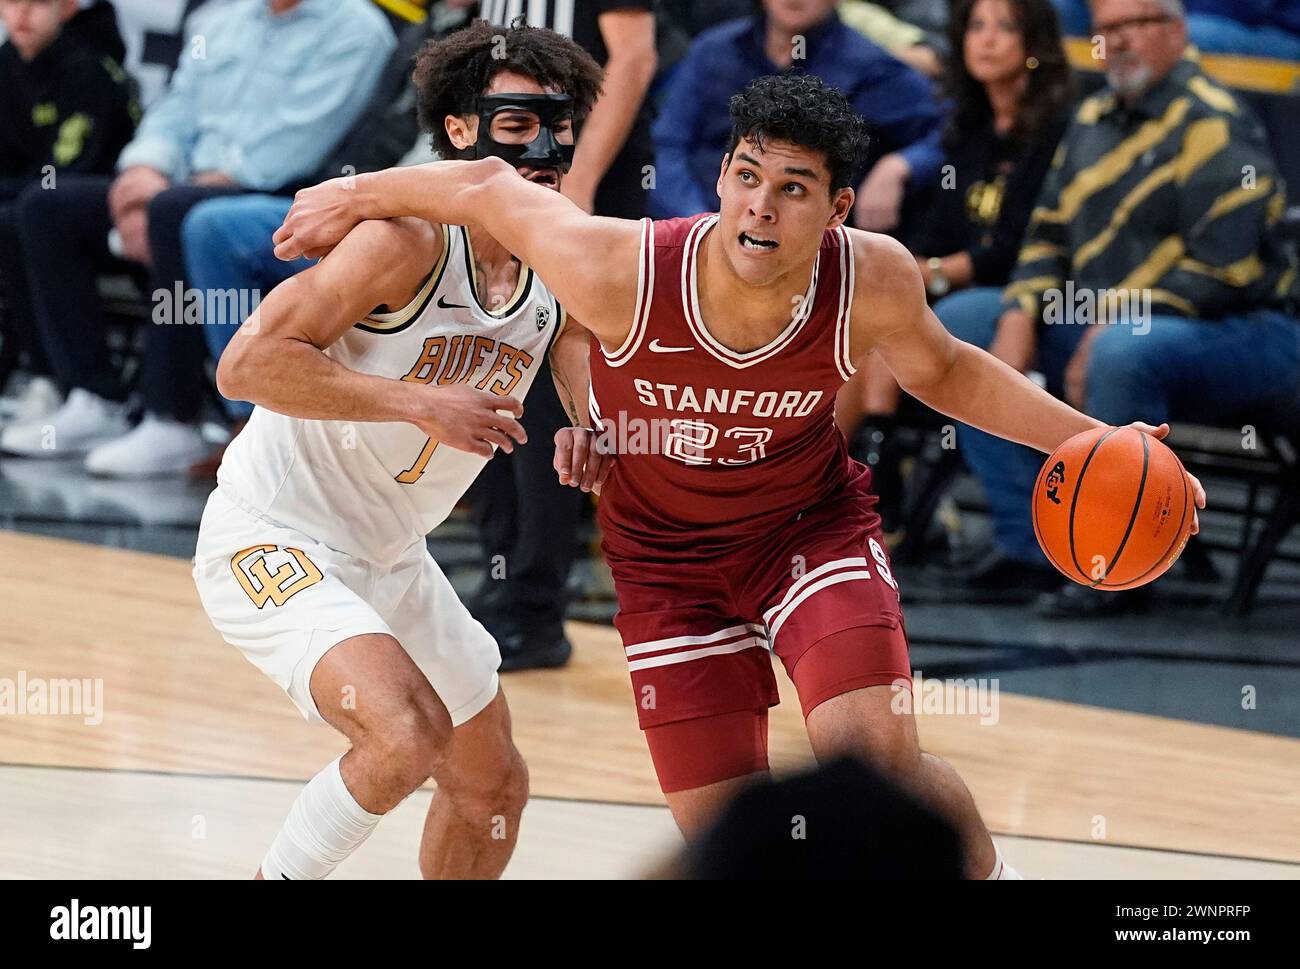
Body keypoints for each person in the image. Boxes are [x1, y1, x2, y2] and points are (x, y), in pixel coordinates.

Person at [273, 70, 1206, 877]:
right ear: (721, 175)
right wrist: (352, 196)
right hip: (668, 564)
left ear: (838, 209)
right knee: (732, 841)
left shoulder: (870, 276)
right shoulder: (619, 270)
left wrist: (1096, 440)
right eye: (747, 175)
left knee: (876, 769)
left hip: (807, 534)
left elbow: (950, 370)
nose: (761, 205)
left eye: (795, 188)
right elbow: (482, 183)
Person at [193, 21, 611, 879]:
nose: (544, 145)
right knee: (403, 734)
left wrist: (590, 423)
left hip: (392, 556)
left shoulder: (561, 247)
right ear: (457, 133)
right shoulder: (405, 241)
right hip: (273, 534)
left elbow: (570, 347)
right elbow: (247, 364)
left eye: (558, 124)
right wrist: (417, 403)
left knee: (492, 788)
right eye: (517, 121)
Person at [943, 0, 1300, 615]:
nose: (1118, 41)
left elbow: (1228, 266)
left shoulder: (1215, 120)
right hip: (1105, 321)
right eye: (1107, 29)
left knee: (1120, 348)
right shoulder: (1090, 117)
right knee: (965, 325)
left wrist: (1116, 316)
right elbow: (1047, 234)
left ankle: (1117, 566)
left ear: (1177, 31)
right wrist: (1022, 310)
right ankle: (1033, 545)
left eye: (1136, 24)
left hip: (1246, 331)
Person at [0, 0, 395, 473]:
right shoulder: (223, 24)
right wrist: (143, 174)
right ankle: (94, 395)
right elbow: (173, 111)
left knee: (178, 213)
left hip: (287, 197)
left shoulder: (357, 29)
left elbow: (296, 142)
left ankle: (174, 415)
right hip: (177, 185)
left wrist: (163, 195)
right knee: (46, 207)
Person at [469, 0, 658, 670]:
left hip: (578, 189)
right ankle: (500, 586)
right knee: (493, 372)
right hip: (508, 187)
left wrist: (577, 179)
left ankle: (535, 603)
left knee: (550, 392)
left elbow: (634, 56)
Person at [839, 0, 1073, 532]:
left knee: (911, 307)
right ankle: (847, 464)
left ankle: (877, 451)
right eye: (976, 27)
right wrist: (920, 265)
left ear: (1034, 43)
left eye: (1005, 28)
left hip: (1033, 293)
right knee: (864, 306)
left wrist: (935, 271)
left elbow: (1022, 243)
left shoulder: (1059, 127)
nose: (986, 40)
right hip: (955, 281)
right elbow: (937, 227)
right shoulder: (970, 125)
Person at [650, 0, 946, 234]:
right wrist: (699, 221)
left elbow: (953, 126)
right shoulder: (713, 50)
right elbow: (668, 143)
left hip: (803, 246)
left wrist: (901, 165)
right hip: (698, 226)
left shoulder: (868, 66)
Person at [0, 0, 136, 424]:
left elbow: (69, 168)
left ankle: (59, 380)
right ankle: (34, 373)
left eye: (36, 3)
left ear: (67, 7)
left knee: (20, 217)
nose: (21, 15)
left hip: (102, 210)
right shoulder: (6, 63)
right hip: (30, 202)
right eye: (10, 2)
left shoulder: (88, 68)